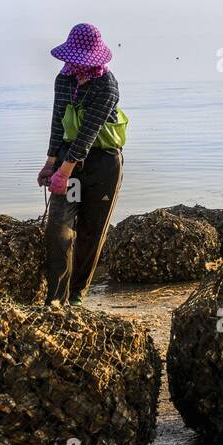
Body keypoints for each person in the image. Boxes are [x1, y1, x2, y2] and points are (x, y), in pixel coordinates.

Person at [39, 23, 127, 305]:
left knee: (91, 231)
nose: (74, 66)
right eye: (72, 60)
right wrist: (50, 163)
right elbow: (57, 121)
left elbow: (88, 133)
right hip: (69, 161)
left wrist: (64, 171)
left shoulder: (106, 86)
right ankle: (56, 296)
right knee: (59, 226)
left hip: (102, 165)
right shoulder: (63, 80)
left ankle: (76, 295)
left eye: (81, 61)